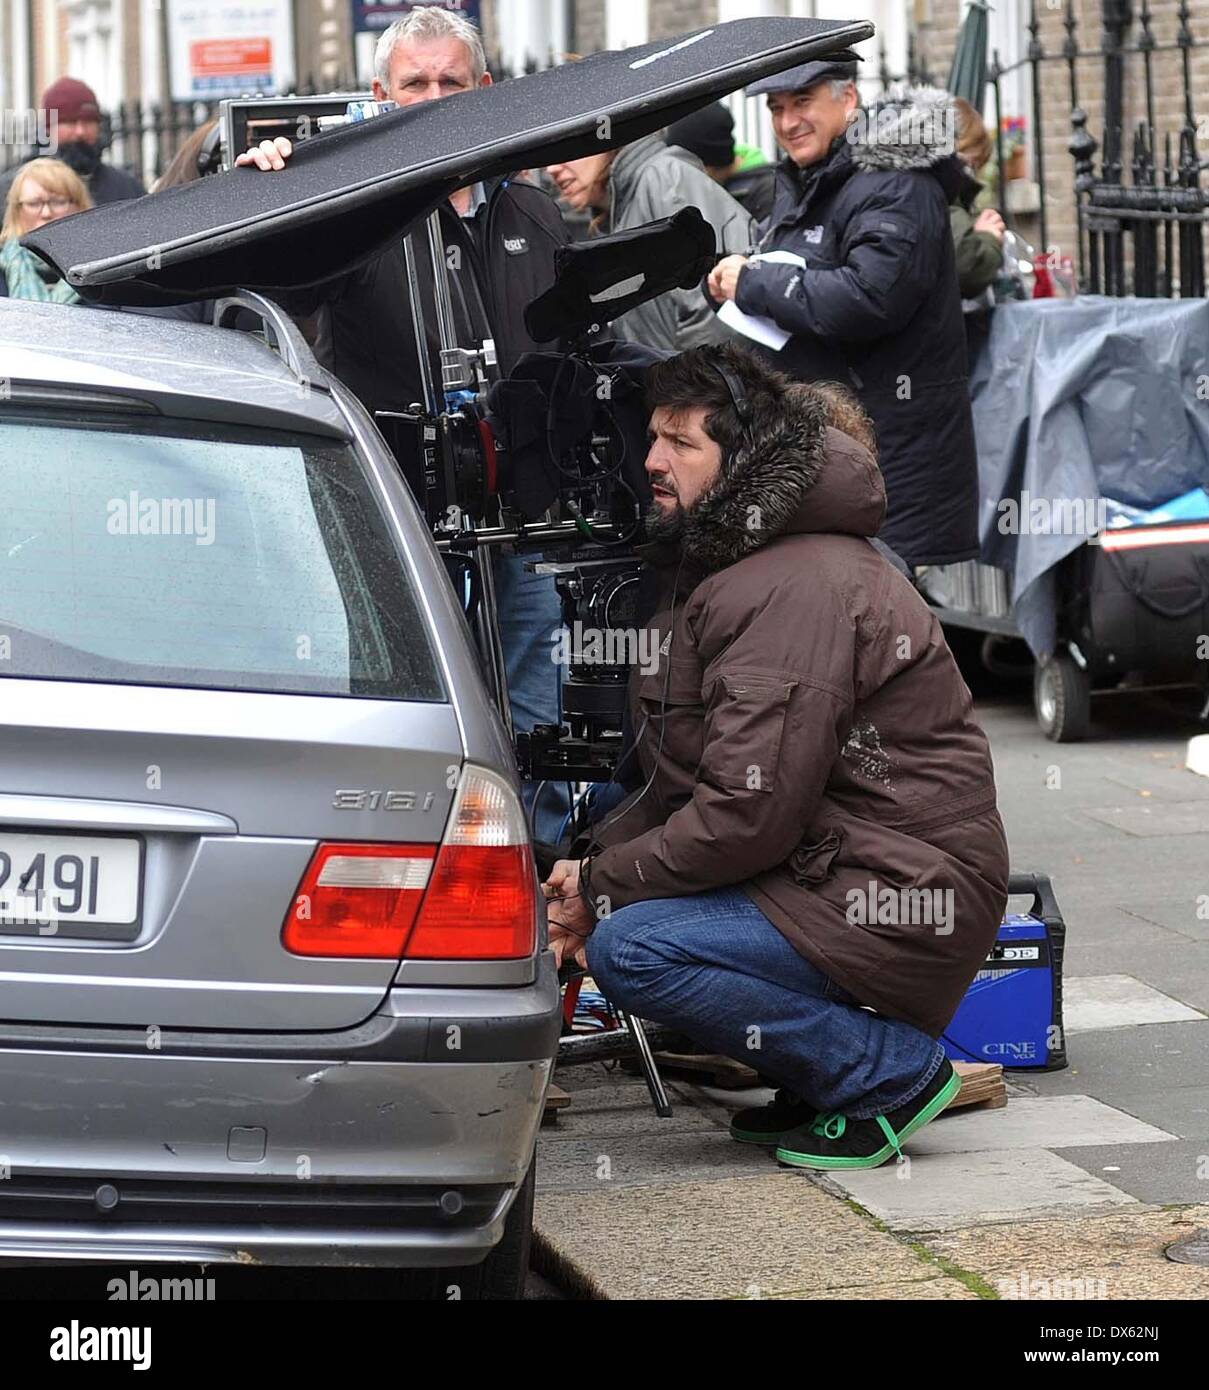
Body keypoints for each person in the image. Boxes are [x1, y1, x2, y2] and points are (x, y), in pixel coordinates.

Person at [543, 342, 1009, 1172]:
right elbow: (676, 776)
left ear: (744, 462)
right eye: (653, 437)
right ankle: (819, 1078)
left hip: (899, 892)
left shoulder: (794, 586)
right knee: (622, 914)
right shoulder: (732, 568)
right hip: (832, 871)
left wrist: (609, 890)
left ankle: (885, 1075)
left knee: (636, 947)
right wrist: (588, 873)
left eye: (682, 444)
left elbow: (747, 815)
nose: (652, 460)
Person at [236, 6, 571, 841]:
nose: (431, 96)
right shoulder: (352, 214)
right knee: (405, 699)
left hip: (521, 506)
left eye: (449, 81)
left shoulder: (531, 211)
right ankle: (413, 860)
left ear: (483, 90)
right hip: (393, 504)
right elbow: (270, 302)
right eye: (413, 83)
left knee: (535, 702)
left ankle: (538, 874)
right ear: (380, 95)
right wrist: (276, 194)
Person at [706, 58, 980, 572]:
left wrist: (757, 283)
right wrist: (728, 283)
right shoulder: (814, 179)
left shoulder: (896, 184)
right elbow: (794, 272)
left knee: (880, 619)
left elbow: (870, 298)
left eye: (803, 103)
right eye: (776, 108)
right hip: (835, 441)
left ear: (848, 100)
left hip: (889, 450)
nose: (788, 122)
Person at [546, 134, 753, 353]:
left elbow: (711, 308)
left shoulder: (663, 179)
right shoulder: (615, 205)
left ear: (606, 143)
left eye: (566, 150)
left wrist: (682, 383)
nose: (552, 168)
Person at [0, 78, 144, 210]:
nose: (80, 131)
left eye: (88, 122)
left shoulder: (126, 188)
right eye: (70, 122)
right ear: (48, 128)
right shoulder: (13, 189)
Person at [666, 102, 778, 224]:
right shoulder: (712, 186)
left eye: (686, 165)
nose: (680, 173)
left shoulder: (767, 194)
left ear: (706, 164)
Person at [0, 158, 92, 303]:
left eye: (58, 202)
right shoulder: (3, 268)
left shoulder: (103, 276)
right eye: (34, 203)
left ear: (80, 207)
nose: (46, 213)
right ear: (17, 211)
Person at [950, 97, 1005, 300]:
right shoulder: (942, 192)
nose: (972, 174)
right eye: (974, 164)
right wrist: (987, 237)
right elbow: (967, 267)